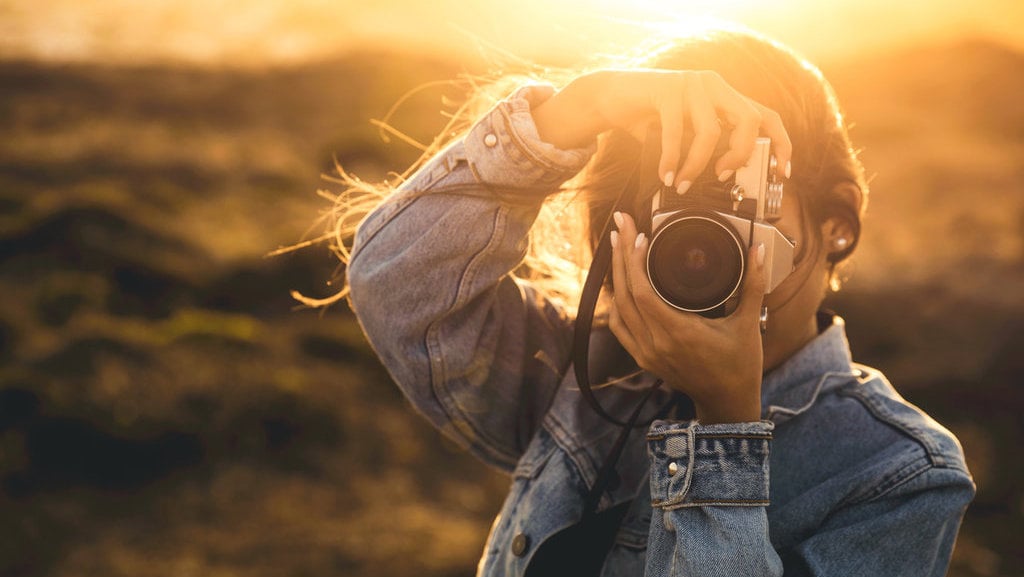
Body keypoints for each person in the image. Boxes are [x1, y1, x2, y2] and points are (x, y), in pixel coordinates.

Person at [335, 25, 975, 576]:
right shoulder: (587, 372)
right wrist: (576, 112)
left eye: (740, 212)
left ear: (837, 221)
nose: (700, 249)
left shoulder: (898, 474)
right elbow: (397, 285)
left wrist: (726, 423)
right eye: (675, 219)